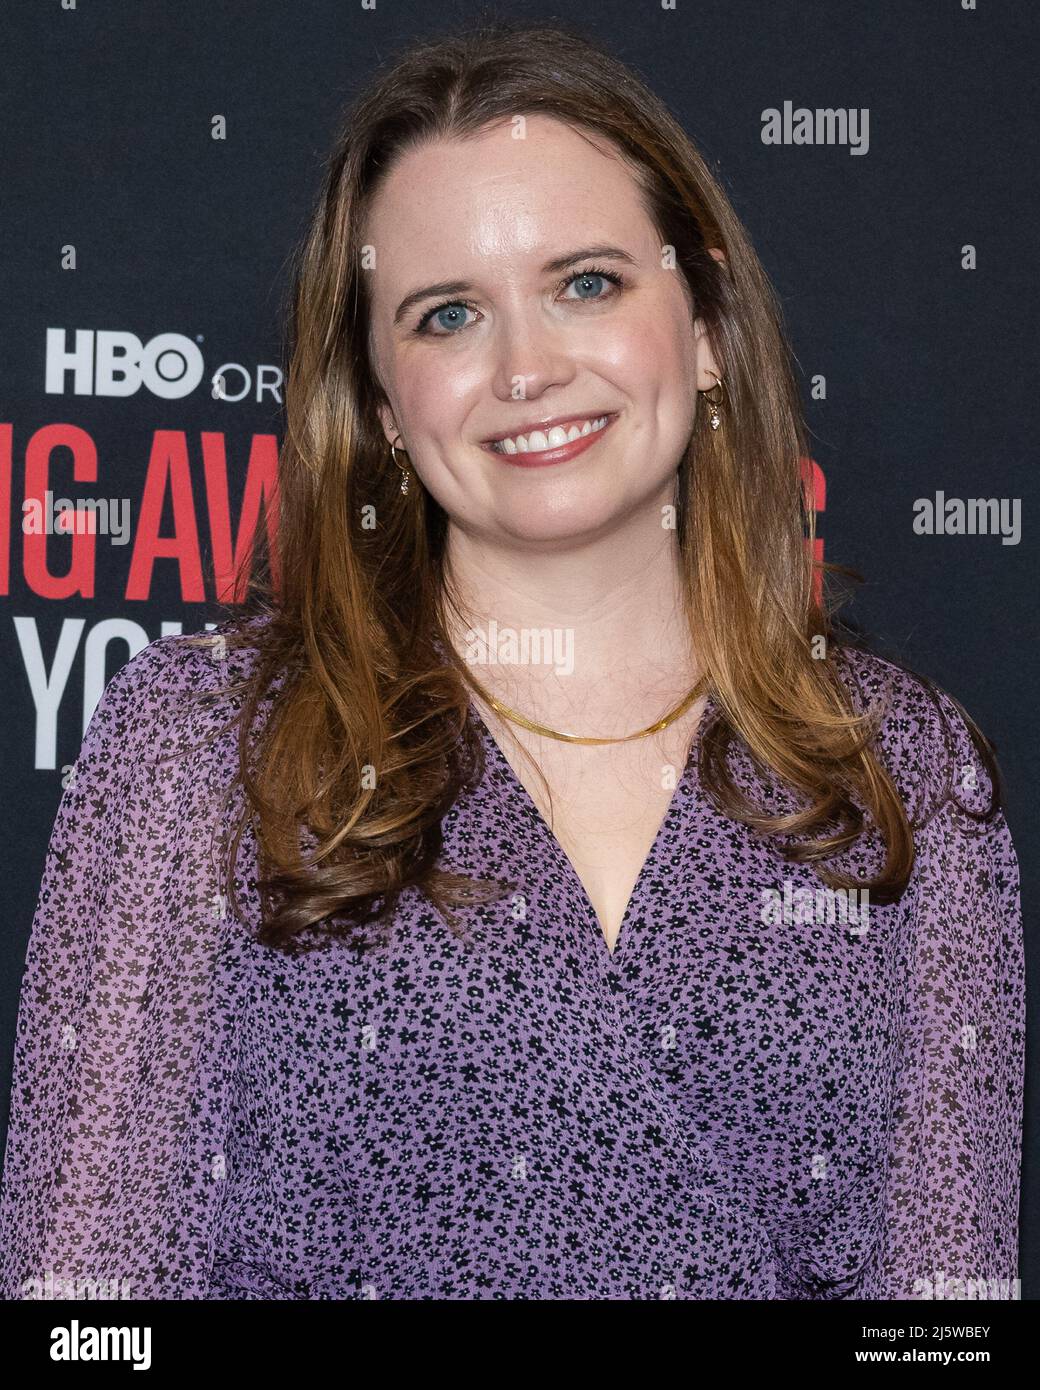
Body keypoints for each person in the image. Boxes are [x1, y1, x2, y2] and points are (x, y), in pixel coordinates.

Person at [0, 22, 1024, 1301]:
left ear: (702, 324)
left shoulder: (897, 767)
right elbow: (79, 1318)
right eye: (446, 316)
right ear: (380, 400)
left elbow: (942, 1317)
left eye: (585, 283)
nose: (528, 369)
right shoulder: (205, 743)